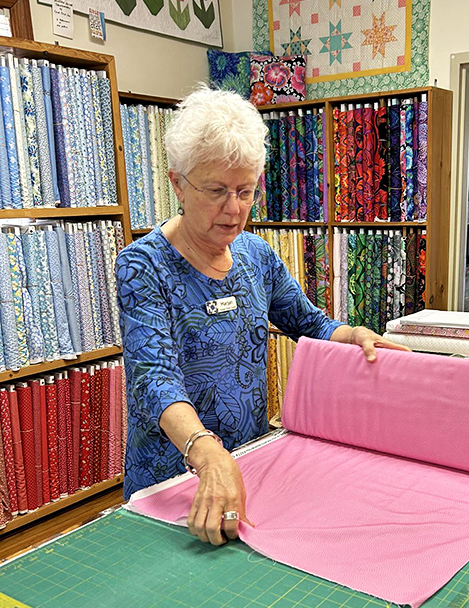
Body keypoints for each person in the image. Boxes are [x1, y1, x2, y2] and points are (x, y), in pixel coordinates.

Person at [116, 85, 407, 547]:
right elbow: (154, 378)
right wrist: (205, 453)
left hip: (249, 465)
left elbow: (307, 322)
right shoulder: (142, 266)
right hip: (171, 477)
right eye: (216, 191)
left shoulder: (255, 255)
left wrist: (350, 334)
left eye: (245, 191)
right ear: (178, 184)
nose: (233, 209)